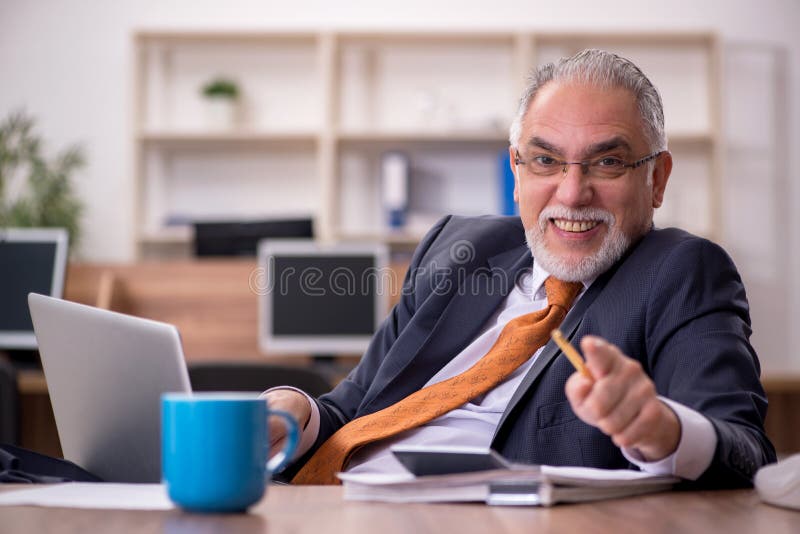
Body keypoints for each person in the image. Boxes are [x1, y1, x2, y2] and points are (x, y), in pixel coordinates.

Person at [264, 49, 775, 487]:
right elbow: (351, 411)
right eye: (546, 161)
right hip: (324, 502)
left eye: (607, 163)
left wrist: (664, 430)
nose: (572, 193)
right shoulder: (457, 249)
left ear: (657, 179)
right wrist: (293, 412)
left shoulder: (682, 271)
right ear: (516, 169)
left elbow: (743, 451)